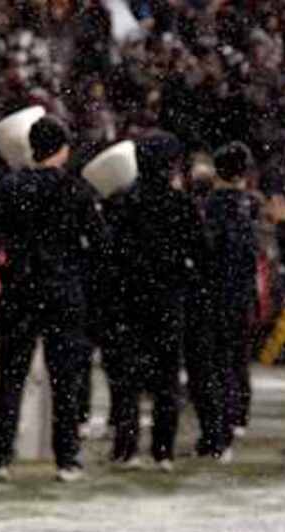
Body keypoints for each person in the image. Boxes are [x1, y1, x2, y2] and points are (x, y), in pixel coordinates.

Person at [0, 116, 102, 483]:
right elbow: (98, 242)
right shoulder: (76, 189)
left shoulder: (6, 188)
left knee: (11, 377)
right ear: (62, 149)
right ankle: (67, 458)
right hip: (63, 291)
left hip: (19, 289)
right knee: (65, 379)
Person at [108, 133, 206, 471]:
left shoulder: (124, 202)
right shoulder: (181, 204)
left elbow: (112, 252)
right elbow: (199, 250)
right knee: (166, 377)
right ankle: (163, 450)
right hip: (167, 298)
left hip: (129, 298)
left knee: (128, 377)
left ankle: (127, 447)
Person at [196, 142, 260, 462]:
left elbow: (207, 251)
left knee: (214, 366)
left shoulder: (212, 206)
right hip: (240, 296)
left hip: (215, 297)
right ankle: (234, 420)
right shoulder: (248, 206)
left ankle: (216, 434)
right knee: (236, 363)